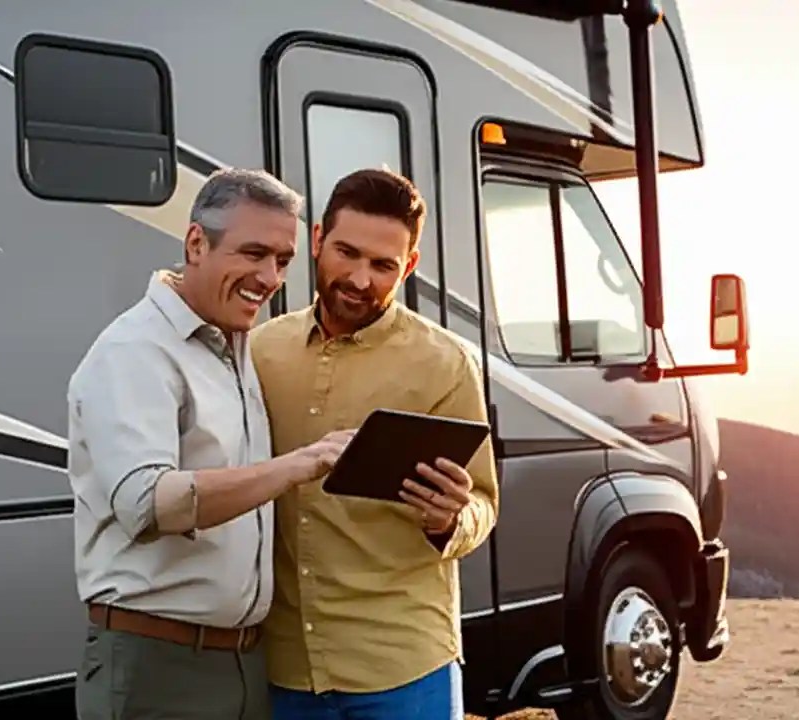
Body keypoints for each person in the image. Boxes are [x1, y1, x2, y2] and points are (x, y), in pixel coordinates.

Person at [67, 167, 355, 720]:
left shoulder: (234, 340)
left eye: (283, 259)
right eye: (253, 253)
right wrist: (297, 465)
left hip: (243, 663)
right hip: (159, 665)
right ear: (196, 243)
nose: (270, 277)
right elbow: (147, 503)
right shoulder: (135, 351)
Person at [250, 168, 500, 719]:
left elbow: (483, 504)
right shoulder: (261, 351)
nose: (361, 279)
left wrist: (451, 521)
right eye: (347, 253)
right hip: (285, 667)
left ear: (408, 266)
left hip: (404, 667)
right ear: (317, 240)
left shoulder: (446, 364)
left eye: (384, 265)